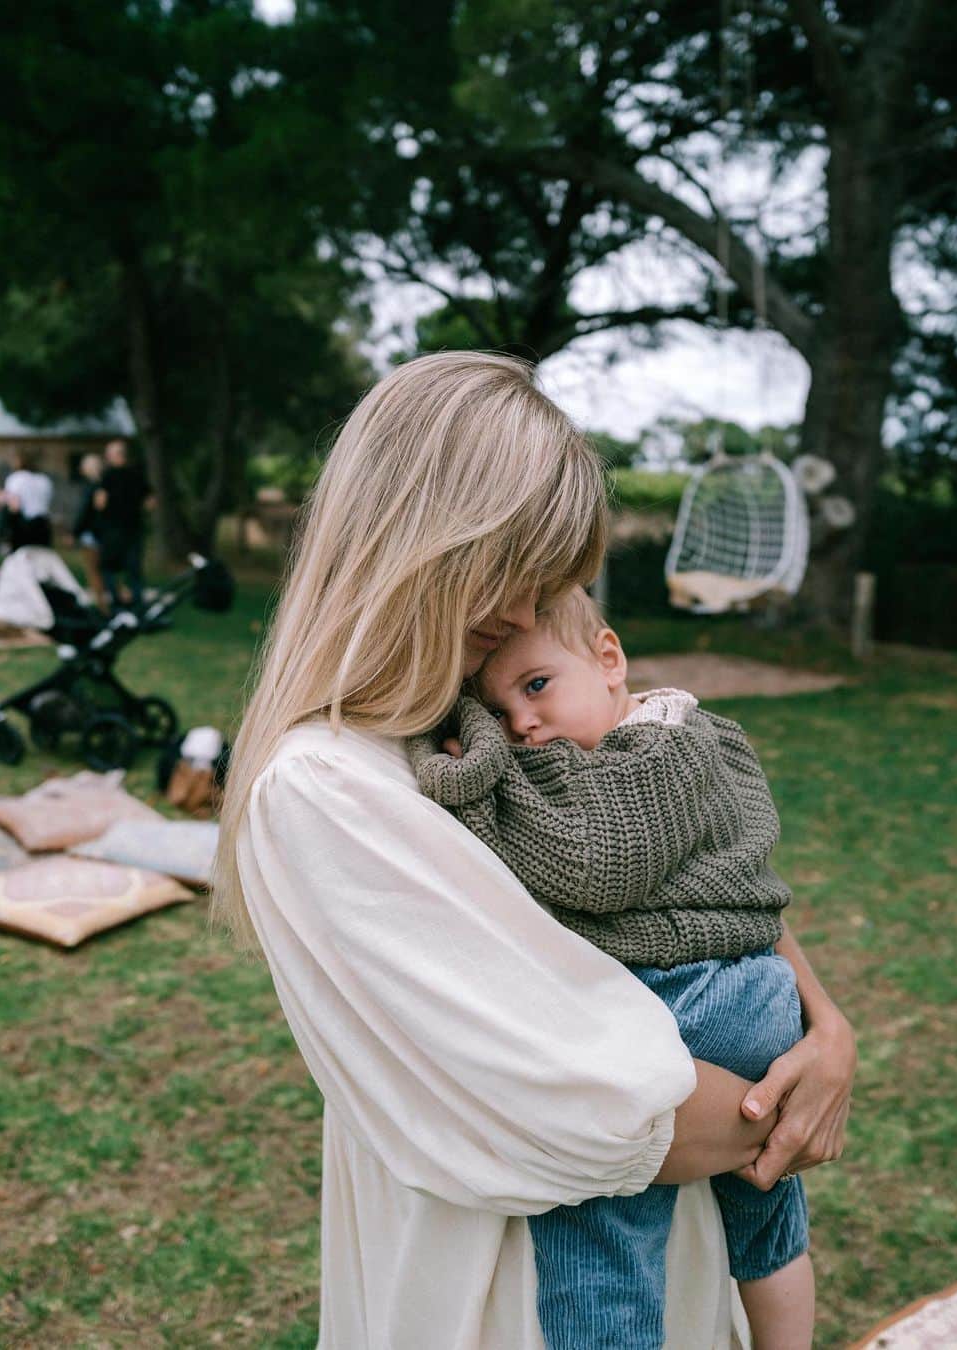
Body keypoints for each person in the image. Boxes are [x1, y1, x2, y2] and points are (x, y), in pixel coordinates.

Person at [211, 352, 855, 1349]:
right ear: (422, 545)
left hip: (675, 1233)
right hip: (507, 1285)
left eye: (550, 581)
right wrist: (794, 1103)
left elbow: (694, 879)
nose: (526, 615)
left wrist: (824, 1023)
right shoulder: (328, 785)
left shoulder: (472, 722)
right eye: (512, 572)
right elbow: (599, 1107)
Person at [410, 586, 815, 1350]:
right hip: (753, 993)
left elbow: (599, 867)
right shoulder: (624, 755)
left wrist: (471, 774)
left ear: (609, 659)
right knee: (769, 1219)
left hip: (695, 995)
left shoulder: (663, 743)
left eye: (536, 687)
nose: (522, 725)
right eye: (495, 714)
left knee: (595, 1198)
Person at [94, 438, 152, 612]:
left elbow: (100, 503)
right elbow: (150, 502)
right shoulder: (138, 474)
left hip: (113, 529)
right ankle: (137, 603)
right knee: (134, 569)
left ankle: (116, 602)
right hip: (134, 527)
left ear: (116, 455)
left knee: (108, 567)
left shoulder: (108, 476)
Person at [72, 452, 108, 611]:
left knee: (94, 571)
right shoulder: (105, 486)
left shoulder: (92, 488)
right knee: (105, 571)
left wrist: (75, 532)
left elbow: (85, 513)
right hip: (104, 533)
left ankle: (103, 607)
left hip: (92, 534)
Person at [1, 446, 53, 551]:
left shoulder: (16, 478)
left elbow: (14, 506)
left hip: (24, 526)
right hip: (43, 525)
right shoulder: (44, 479)